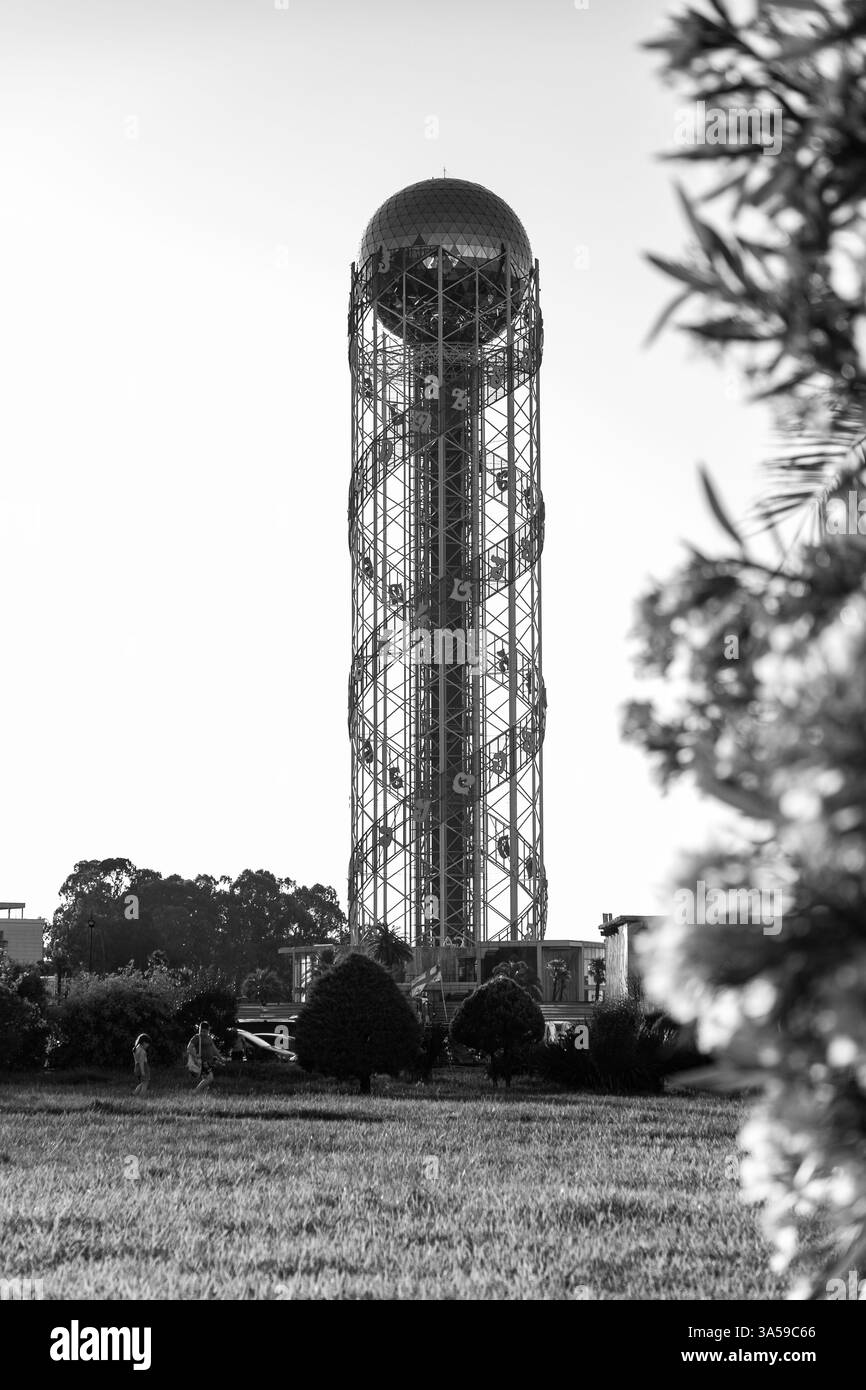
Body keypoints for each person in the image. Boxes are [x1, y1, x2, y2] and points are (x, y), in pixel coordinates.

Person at [186, 1021, 226, 1093]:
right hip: (203, 1062)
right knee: (210, 1078)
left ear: (208, 1031)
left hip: (209, 1061)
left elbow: (214, 1049)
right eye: (201, 1030)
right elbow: (189, 1048)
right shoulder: (196, 1037)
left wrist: (221, 1058)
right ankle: (194, 1092)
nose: (202, 1033)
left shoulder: (209, 1038)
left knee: (205, 1079)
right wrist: (196, 1055)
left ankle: (204, 1096)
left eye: (204, 1031)